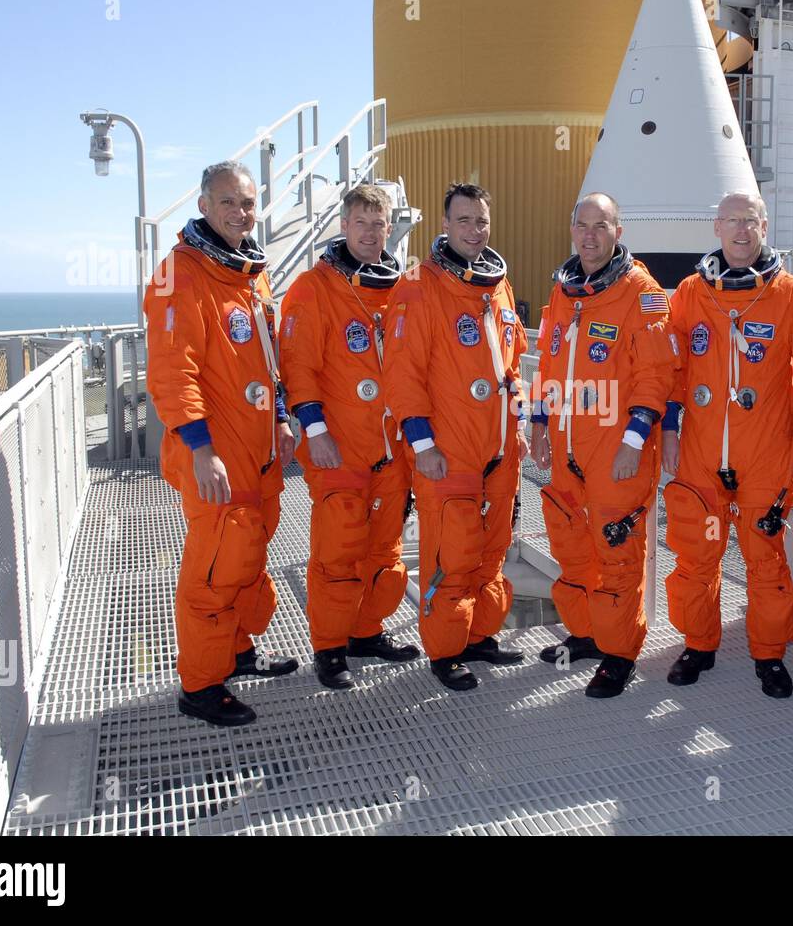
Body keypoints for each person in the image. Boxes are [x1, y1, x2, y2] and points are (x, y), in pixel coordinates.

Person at [660, 192, 793, 697]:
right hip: (698, 452)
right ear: (717, 227)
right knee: (696, 555)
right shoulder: (691, 294)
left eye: (750, 221)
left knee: (765, 559)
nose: (741, 230)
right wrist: (669, 431)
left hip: (767, 453)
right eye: (731, 221)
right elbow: (671, 368)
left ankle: (769, 654)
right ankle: (698, 645)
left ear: (764, 226)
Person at [144, 161, 298, 727]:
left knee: (245, 557)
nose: (241, 213)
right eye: (228, 203)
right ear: (204, 206)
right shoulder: (178, 273)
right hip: (214, 452)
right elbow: (170, 371)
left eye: (249, 204)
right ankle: (201, 689)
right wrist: (201, 447)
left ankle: (235, 654)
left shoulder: (249, 272)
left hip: (255, 450)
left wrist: (281, 418)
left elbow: (269, 358)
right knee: (213, 570)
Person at [531, 193, 678, 699]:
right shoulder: (563, 290)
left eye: (602, 225)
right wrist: (539, 422)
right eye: (582, 224)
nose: (590, 235)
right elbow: (549, 362)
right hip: (568, 442)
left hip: (617, 446)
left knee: (618, 550)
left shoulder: (643, 293)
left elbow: (656, 376)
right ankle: (587, 634)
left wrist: (634, 443)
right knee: (572, 545)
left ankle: (619, 654)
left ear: (619, 231)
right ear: (572, 228)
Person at [382, 183, 528, 691]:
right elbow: (403, 376)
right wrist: (422, 446)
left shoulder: (499, 286)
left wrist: (519, 425)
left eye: (481, 221)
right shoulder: (419, 287)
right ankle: (445, 652)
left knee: (492, 549)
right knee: (452, 555)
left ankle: (479, 636)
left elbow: (510, 366)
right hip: (449, 449)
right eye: (463, 220)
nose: (473, 230)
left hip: (499, 448)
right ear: (445, 226)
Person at [279, 184, 420, 691]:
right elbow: (298, 368)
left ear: (389, 229)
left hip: (392, 449)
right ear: (343, 226)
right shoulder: (313, 289)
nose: (369, 232)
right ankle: (330, 648)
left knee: (384, 551)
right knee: (338, 551)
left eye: (378, 224)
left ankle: (366, 631)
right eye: (360, 223)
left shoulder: (403, 290)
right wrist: (313, 431)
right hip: (338, 447)